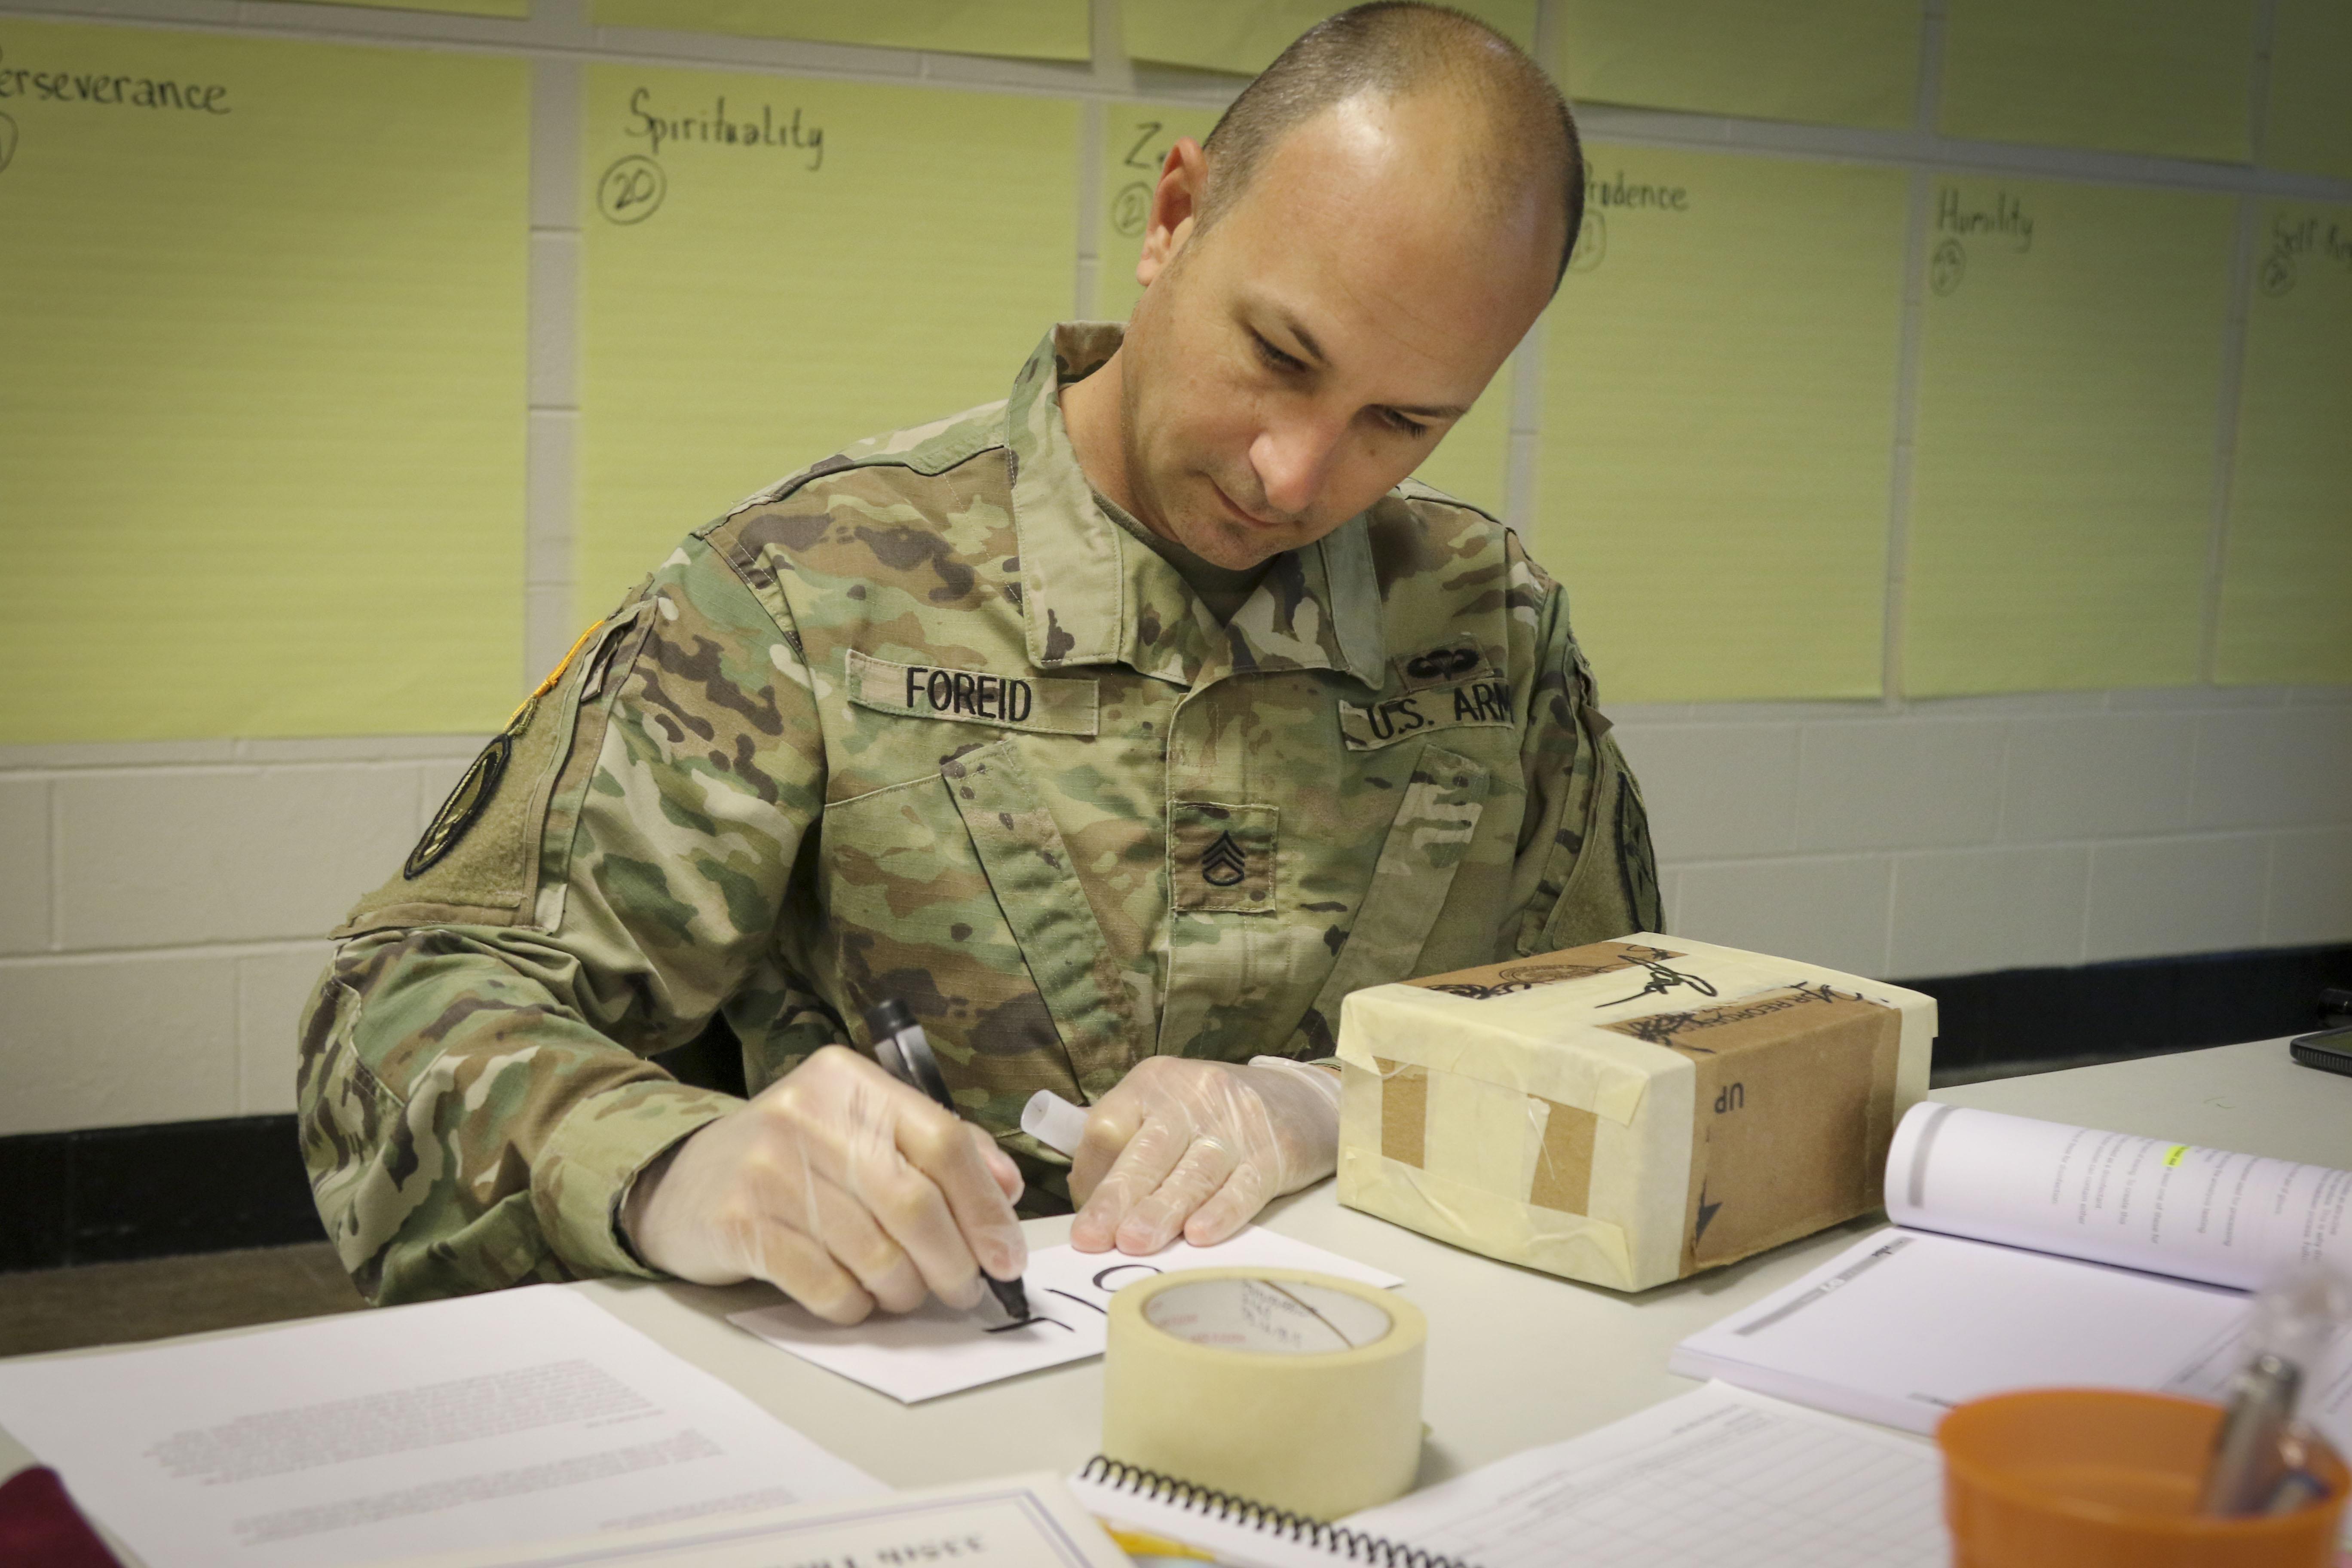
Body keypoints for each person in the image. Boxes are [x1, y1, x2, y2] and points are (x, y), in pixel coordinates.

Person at [299, 1, 1661, 1320]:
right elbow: (402, 1010)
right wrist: (673, 1166)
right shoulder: (815, 591)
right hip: (901, 1401)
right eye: (1278, 354)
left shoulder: (1490, 629)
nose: (1294, 470)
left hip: (1358, 1378)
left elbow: (1635, 1036)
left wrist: (1325, 1105)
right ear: (1173, 216)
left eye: (1402, 420)